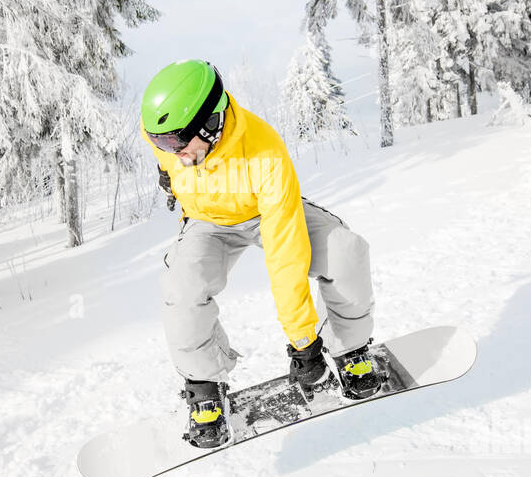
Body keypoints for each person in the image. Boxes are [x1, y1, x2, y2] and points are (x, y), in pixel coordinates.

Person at [140, 58, 386, 448]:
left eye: (177, 144)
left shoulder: (265, 153)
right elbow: (170, 154)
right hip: (208, 223)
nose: (173, 153)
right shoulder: (170, 138)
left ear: (210, 123)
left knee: (344, 250)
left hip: (265, 211)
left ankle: (350, 348)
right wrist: (171, 171)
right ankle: (204, 385)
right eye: (162, 144)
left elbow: (286, 255)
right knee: (182, 285)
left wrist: (303, 341)